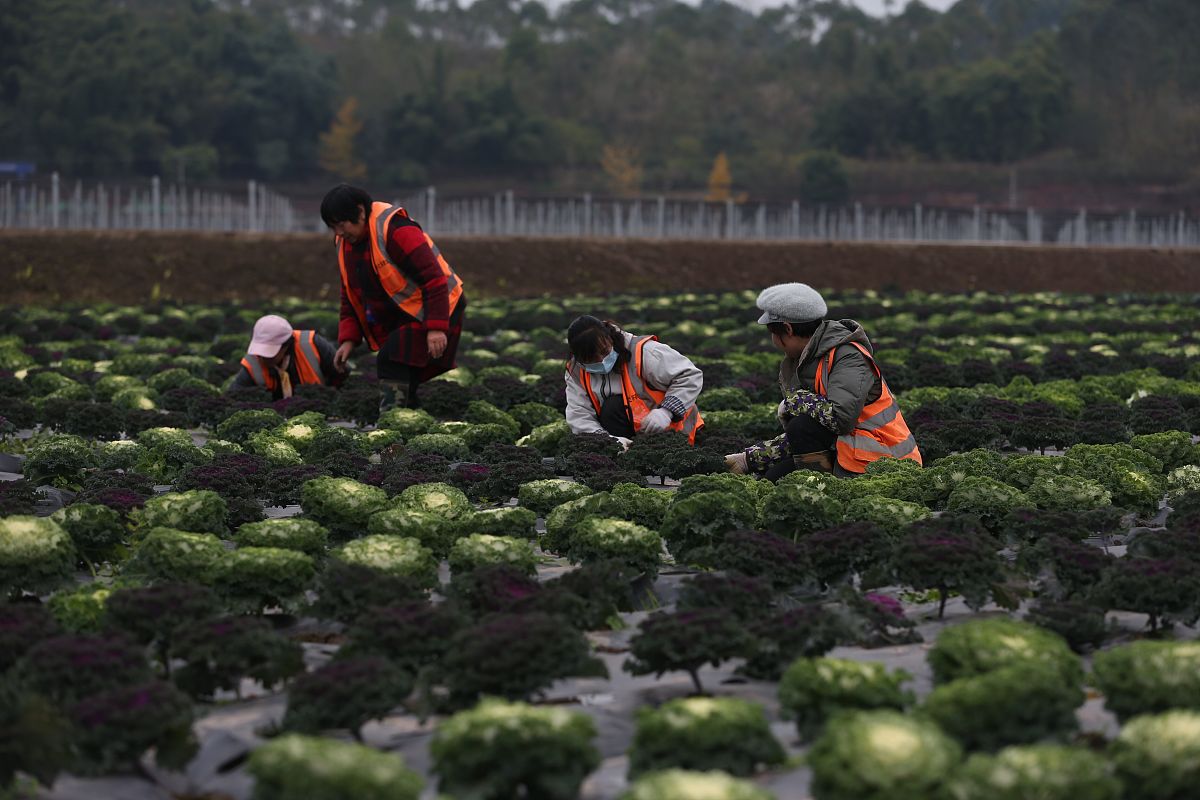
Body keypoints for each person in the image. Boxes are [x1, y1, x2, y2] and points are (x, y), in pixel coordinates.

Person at [725, 283, 921, 479]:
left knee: (799, 430)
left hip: (887, 458)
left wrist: (796, 400)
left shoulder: (848, 356)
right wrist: (749, 459)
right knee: (772, 478)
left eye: (774, 334)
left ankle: (820, 489)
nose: (773, 342)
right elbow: (813, 432)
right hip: (849, 449)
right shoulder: (807, 359)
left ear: (788, 329)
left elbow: (839, 419)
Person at [321, 183, 466, 410]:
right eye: (332, 227)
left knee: (392, 358)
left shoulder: (397, 230)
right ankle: (410, 420)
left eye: (341, 224)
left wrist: (436, 327)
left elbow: (434, 279)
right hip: (405, 314)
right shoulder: (346, 242)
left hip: (440, 305)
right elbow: (350, 293)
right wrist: (349, 340)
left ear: (360, 211)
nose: (338, 232)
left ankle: (392, 419)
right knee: (403, 370)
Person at [564, 315, 704, 446]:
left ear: (610, 339)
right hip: (626, 436)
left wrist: (666, 411)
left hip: (673, 430)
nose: (601, 360)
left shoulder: (644, 352)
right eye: (591, 358)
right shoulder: (576, 371)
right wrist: (608, 441)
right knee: (611, 407)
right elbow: (579, 413)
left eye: (604, 351)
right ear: (579, 357)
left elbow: (689, 376)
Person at [228, 314, 344, 399]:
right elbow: (234, 396)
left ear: (286, 346)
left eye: (270, 354)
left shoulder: (313, 345)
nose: (263, 358)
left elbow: (343, 377)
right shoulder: (252, 363)